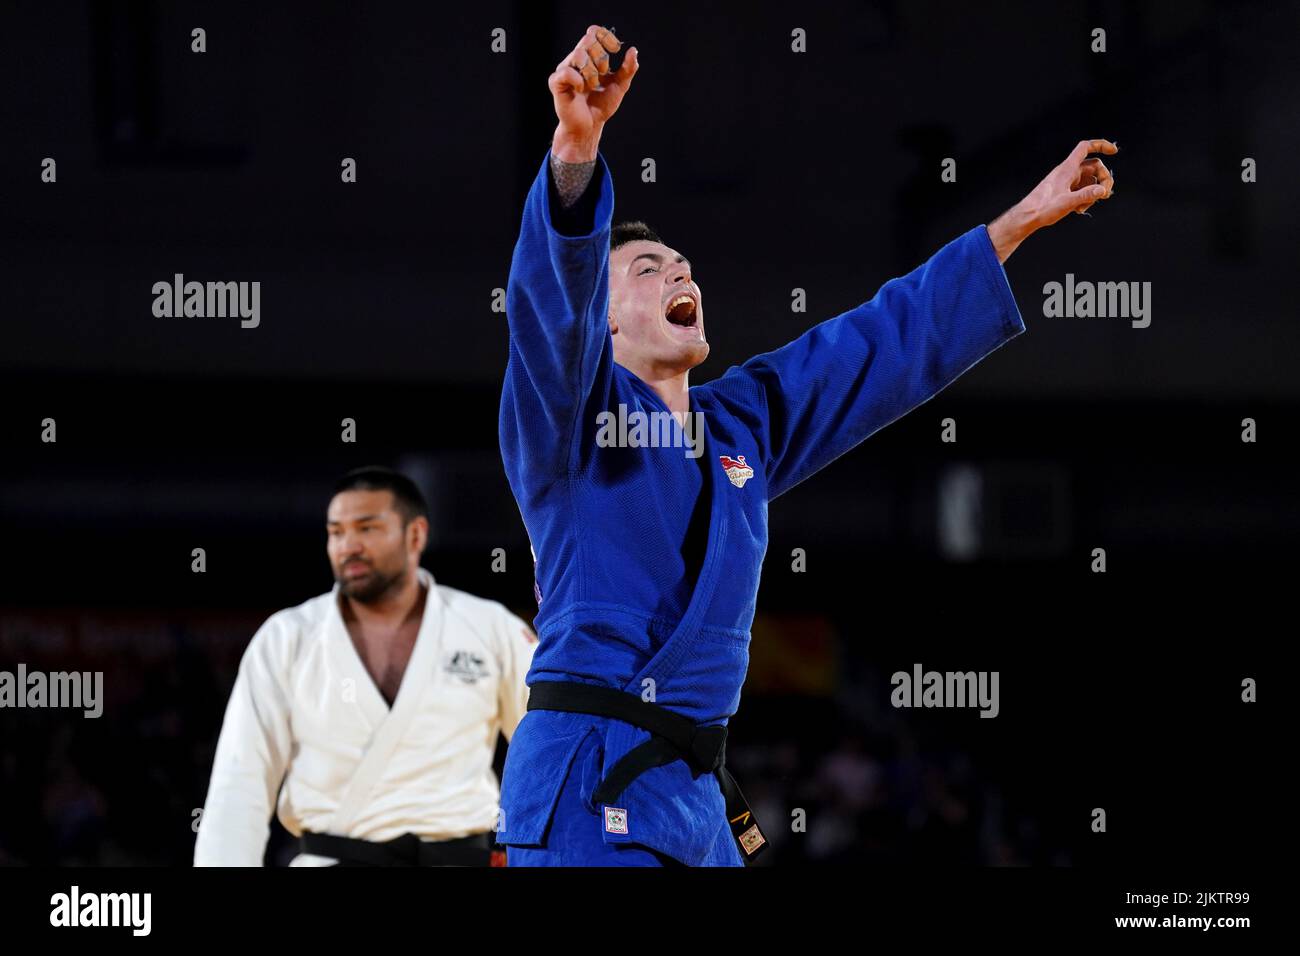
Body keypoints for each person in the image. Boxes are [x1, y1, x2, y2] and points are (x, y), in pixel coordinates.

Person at [497, 25, 1116, 866]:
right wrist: (576, 146)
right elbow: (548, 311)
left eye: (683, 264)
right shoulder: (569, 419)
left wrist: (1017, 225)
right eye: (647, 269)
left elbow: (876, 345)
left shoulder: (742, 425)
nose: (681, 273)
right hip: (584, 784)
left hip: (691, 799)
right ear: (602, 321)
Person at [194, 466, 537, 866]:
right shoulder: (287, 638)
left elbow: (546, 747)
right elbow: (240, 785)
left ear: (416, 535)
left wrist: (534, 851)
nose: (348, 546)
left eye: (366, 529)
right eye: (336, 532)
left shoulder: (488, 627)